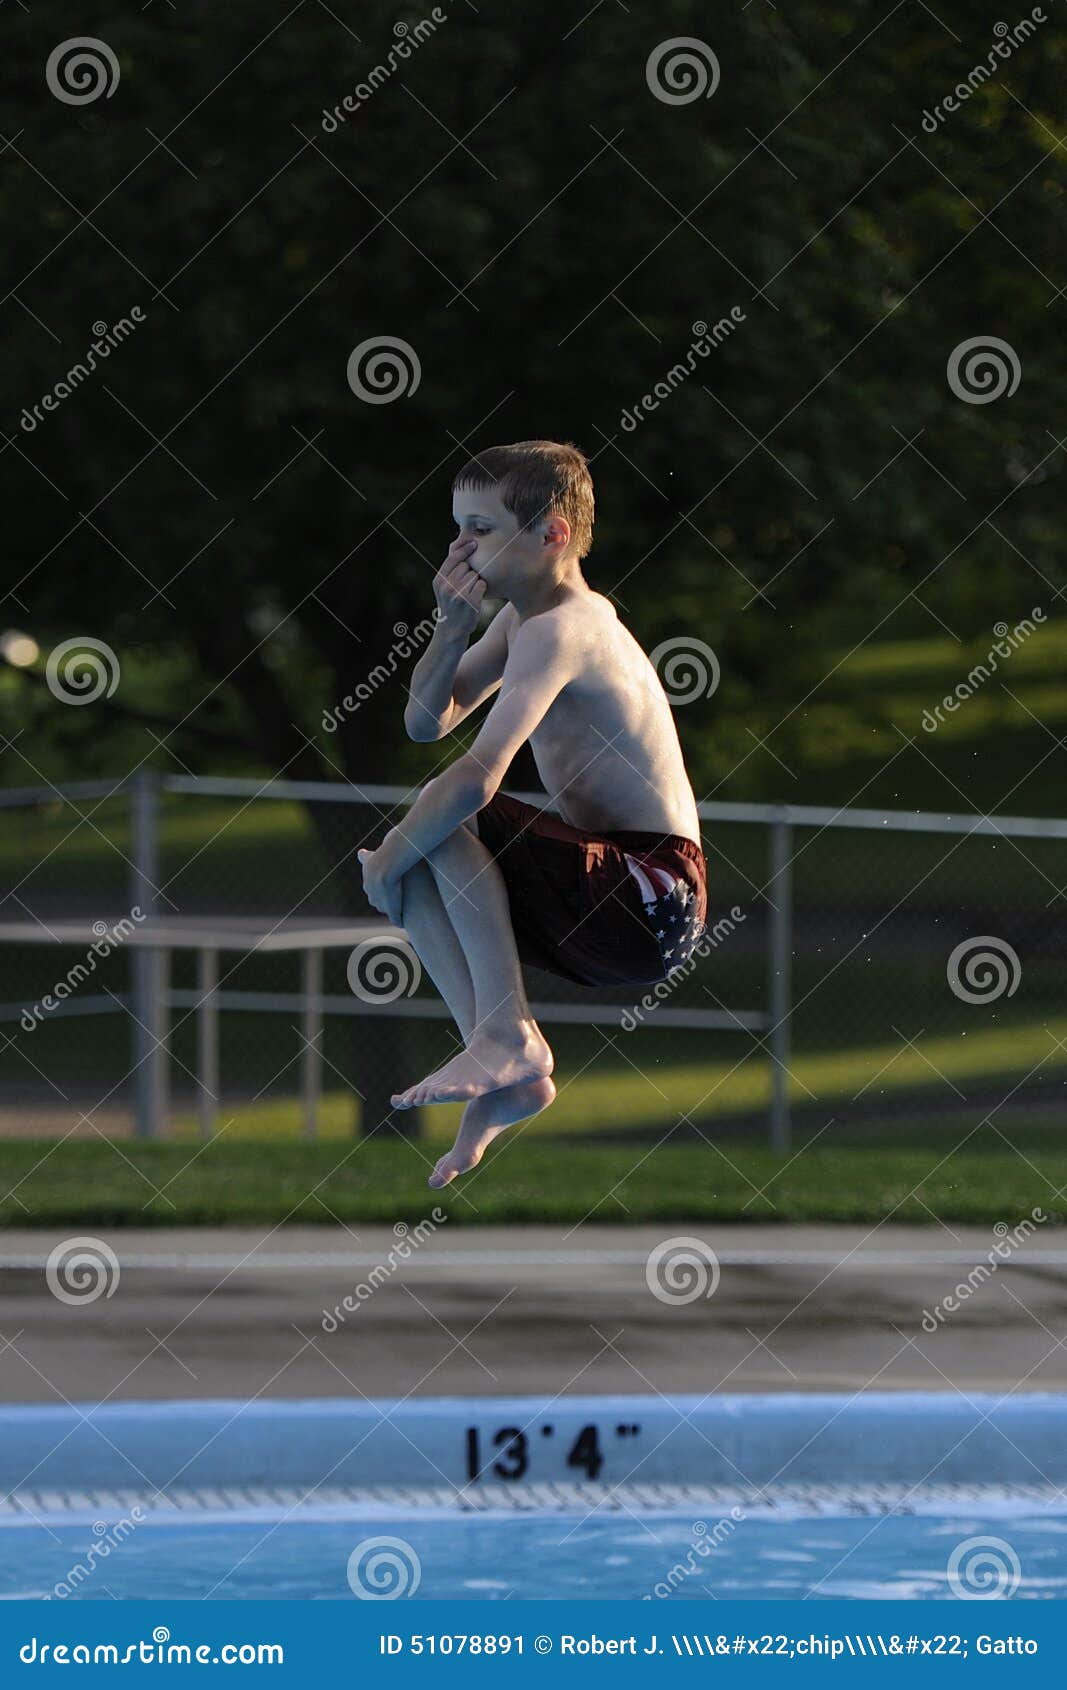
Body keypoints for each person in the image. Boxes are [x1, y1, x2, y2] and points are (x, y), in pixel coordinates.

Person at [357, 439, 708, 1188]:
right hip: (615, 893)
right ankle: (507, 1067)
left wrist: (385, 858)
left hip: (653, 890)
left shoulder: (566, 629)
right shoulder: (521, 622)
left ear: (551, 533)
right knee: (422, 859)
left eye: (480, 527)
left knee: (435, 826)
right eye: (456, 527)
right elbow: (427, 722)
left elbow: (478, 777)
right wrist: (449, 630)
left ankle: (510, 1036)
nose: (459, 546)